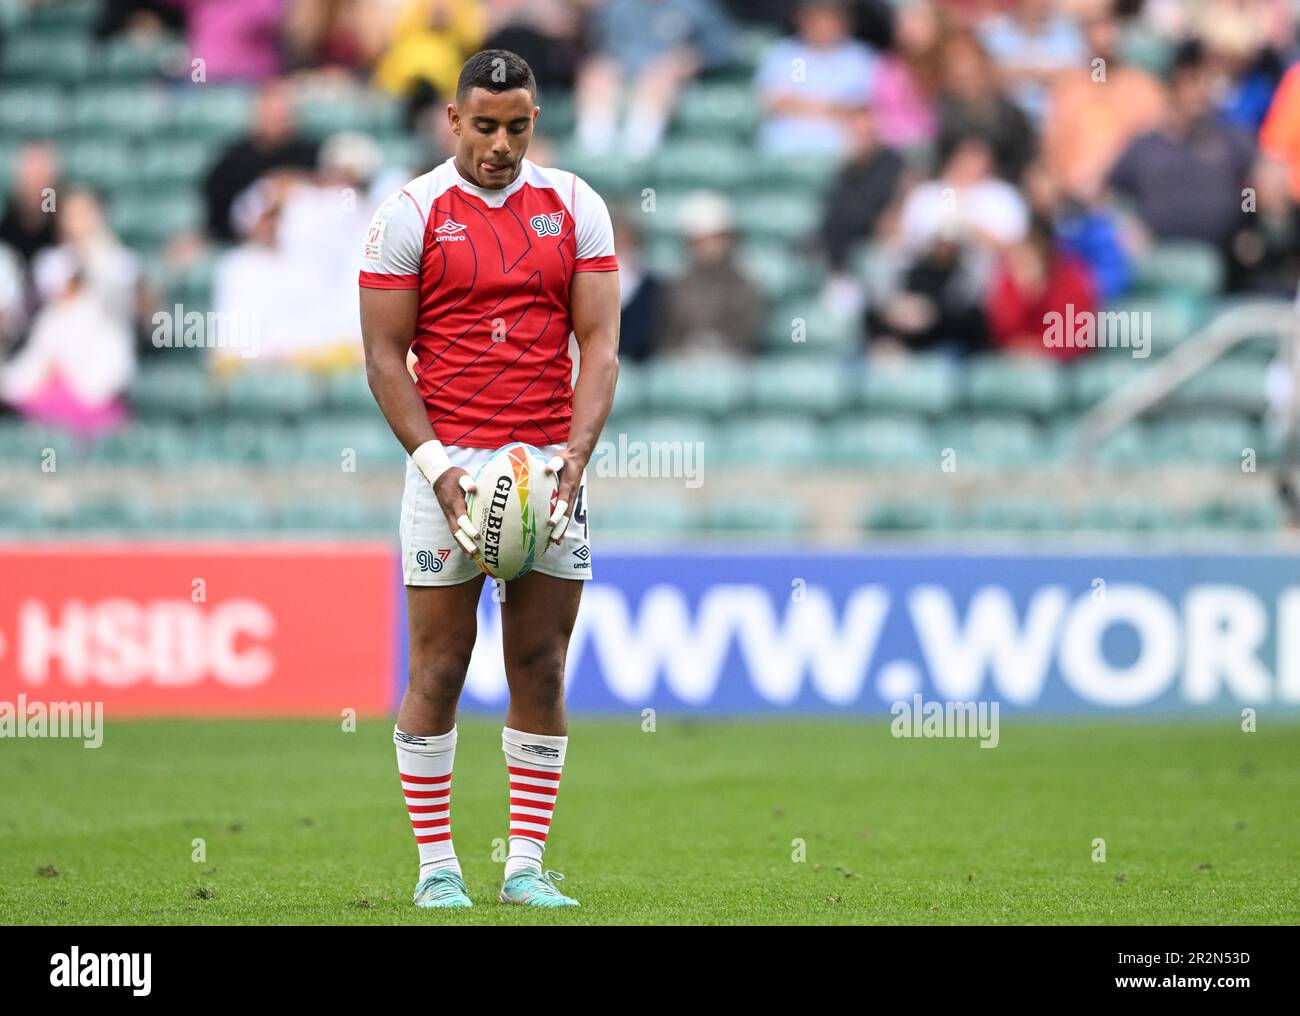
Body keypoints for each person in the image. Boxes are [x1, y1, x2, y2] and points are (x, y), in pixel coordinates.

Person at [359, 50, 620, 910]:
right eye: (483, 126)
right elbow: (384, 360)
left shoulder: (576, 206)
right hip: (450, 465)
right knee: (438, 667)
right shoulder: (410, 213)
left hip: (548, 466)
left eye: (516, 127)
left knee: (540, 665)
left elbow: (601, 348)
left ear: (533, 121)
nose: (500, 145)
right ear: (453, 122)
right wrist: (437, 473)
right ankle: (437, 867)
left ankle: (524, 869)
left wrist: (575, 459)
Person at [1107, 38, 1255, 250]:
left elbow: (1256, 187)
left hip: (1221, 258)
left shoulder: (1232, 140)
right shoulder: (1144, 146)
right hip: (1156, 255)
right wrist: (1123, 225)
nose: (1200, 92)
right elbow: (1108, 193)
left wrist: (1247, 221)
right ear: (1173, 86)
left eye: (1207, 81)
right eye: (1191, 82)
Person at [574, 0, 735, 161]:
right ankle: (594, 155)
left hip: (673, 80)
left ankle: (638, 155)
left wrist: (694, 59)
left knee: (661, 75)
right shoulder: (616, 7)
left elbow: (722, 48)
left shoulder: (695, 6)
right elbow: (601, 47)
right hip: (623, 74)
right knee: (597, 73)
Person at [755, 0, 878, 156]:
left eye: (830, 17)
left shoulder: (860, 57)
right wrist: (834, 108)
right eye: (816, 17)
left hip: (843, 147)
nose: (823, 24)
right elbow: (780, 103)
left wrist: (809, 106)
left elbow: (864, 108)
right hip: (790, 145)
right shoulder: (792, 56)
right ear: (802, 20)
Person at [202, 80, 319, 242]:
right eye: (272, 116)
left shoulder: (313, 156)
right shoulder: (232, 162)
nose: (279, 123)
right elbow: (217, 217)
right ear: (256, 117)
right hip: (249, 246)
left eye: (283, 116)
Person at [656, 190, 765, 356]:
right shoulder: (676, 287)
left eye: (715, 238)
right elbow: (667, 335)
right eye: (702, 240)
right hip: (683, 366)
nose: (710, 246)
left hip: (733, 366)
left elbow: (748, 335)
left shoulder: (746, 285)